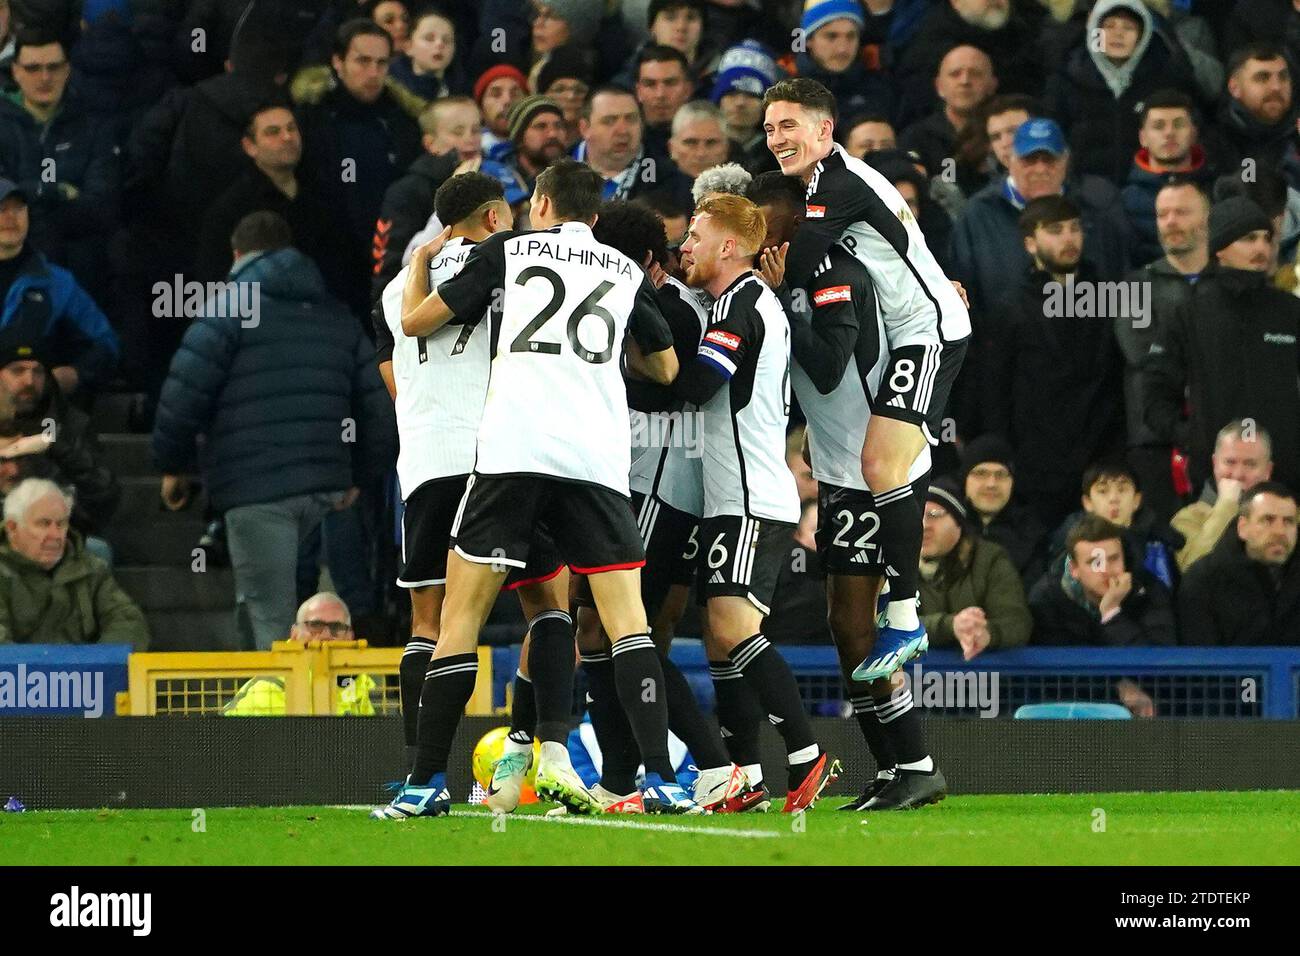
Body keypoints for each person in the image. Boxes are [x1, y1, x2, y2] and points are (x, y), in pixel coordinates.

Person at [377, 160, 697, 818]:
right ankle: (661, 778)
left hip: (513, 451)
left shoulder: (506, 249)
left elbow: (416, 324)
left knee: (459, 617)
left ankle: (424, 785)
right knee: (626, 623)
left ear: (541, 203)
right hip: (593, 457)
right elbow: (665, 367)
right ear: (597, 217)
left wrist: (419, 265)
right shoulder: (622, 269)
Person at [762, 76, 972, 683]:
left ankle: (905, 613)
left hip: (928, 329)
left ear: (824, 130)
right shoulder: (832, 178)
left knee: (885, 465)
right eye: (771, 127)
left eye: (790, 126)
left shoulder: (838, 183)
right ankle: (902, 611)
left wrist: (760, 283)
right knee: (885, 463)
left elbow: (799, 261)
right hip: (918, 319)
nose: (778, 138)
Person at [751, 171, 943, 811]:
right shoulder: (781, 283)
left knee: (861, 626)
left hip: (877, 473)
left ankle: (915, 766)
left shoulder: (838, 275)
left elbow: (831, 367)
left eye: (762, 228)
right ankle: (894, 769)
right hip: (839, 471)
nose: (754, 241)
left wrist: (777, 299)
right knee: (844, 624)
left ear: (789, 228)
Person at [152, 212, 396, 652]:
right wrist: (359, 476)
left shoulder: (225, 311)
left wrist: (173, 465)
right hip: (330, 490)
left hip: (255, 493)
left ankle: (278, 720)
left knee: (269, 620)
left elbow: (184, 394)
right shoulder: (335, 315)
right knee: (333, 621)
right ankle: (345, 715)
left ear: (237, 255)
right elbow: (380, 408)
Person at [671, 193, 839, 811]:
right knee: (720, 638)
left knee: (734, 627)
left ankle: (805, 754)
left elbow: (697, 385)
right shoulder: (735, 301)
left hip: (750, 495)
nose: (684, 246)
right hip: (733, 494)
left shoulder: (741, 303)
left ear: (729, 246)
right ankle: (744, 773)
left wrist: (630, 369)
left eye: (694, 235)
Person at [984, 195, 1126, 527]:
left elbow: (1117, 383)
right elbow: (995, 391)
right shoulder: (1010, 308)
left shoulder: (1108, 298)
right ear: (1030, 243)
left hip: (1099, 465)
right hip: (1034, 471)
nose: (1068, 238)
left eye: (1075, 228)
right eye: (1055, 230)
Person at [1144, 196, 1300, 492]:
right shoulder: (1190, 312)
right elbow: (1155, 393)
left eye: (1267, 238)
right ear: (1221, 248)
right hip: (1214, 482)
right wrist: (1195, 438)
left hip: (1287, 481)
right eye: (1248, 238)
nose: (1261, 248)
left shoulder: (1290, 311)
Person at [194, 102, 365, 314]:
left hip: (328, 321)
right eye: (272, 132)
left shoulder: (325, 197)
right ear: (250, 146)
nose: (287, 137)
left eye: (292, 128)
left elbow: (352, 269)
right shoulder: (231, 210)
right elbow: (214, 284)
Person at [0, 30, 120, 298]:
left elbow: (103, 207)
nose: (45, 77)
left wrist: (30, 198)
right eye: (33, 68)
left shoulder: (94, 125)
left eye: (53, 67)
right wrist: (57, 191)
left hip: (85, 274)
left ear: (67, 70)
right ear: (15, 71)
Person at [1118, 179, 1208, 520]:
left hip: (1221, 441)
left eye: (1182, 212)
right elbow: (1142, 355)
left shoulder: (1227, 282)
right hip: (1153, 442)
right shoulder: (1134, 286)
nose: (1170, 221)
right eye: (1163, 214)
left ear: (1207, 217)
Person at [297, 19, 422, 253]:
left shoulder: (404, 120)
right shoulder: (311, 118)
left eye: (382, 63)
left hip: (394, 250)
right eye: (363, 61)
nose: (373, 73)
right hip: (328, 251)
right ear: (338, 61)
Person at [1044, 0, 1199, 186]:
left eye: (1128, 28)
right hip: (1085, 194)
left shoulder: (1166, 77)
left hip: (1154, 187)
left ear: (1143, 35)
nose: (1118, 34)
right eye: (1109, 26)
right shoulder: (1066, 78)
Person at [0, 179, 119, 397]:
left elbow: (105, 344)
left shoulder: (57, 282)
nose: (11, 217)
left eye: (19, 208)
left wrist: (75, 374)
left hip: (32, 413)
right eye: (1, 209)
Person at [0, 477, 147, 647]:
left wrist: (100, 664)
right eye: (44, 524)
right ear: (12, 528)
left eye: (61, 524)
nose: (55, 535)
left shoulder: (91, 568)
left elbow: (127, 620)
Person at [0, 337, 119, 538]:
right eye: (17, 371)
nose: (29, 381)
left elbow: (104, 496)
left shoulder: (71, 424)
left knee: (97, 550)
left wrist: (55, 448)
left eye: (37, 372)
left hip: (57, 536)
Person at [917, 477, 1032, 659]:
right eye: (915, 515)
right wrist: (950, 626)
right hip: (911, 681)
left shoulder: (990, 560)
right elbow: (880, 625)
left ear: (958, 523)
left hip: (983, 681)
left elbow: (1017, 623)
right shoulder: (893, 562)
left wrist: (987, 634)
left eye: (934, 515)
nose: (923, 525)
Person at [1179, 482, 1300, 645]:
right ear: (1242, 527)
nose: (1280, 531)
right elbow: (1200, 661)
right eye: (1267, 520)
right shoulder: (1204, 579)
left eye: (1289, 521)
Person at [1028, 514, 1176, 646]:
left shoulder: (1149, 590)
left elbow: (1158, 665)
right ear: (1074, 569)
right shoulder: (1047, 600)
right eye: (1094, 562)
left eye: (1113, 559)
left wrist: (1111, 613)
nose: (1105, 570)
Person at [222, 592, 378, 716]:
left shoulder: (356, 681)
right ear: (294, 634)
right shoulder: (268, 689)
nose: (325, 636)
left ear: (350, 637)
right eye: (315, 625)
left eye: (336, 627)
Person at [1043, 459, 1183, 594]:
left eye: (1122, 490)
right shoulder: (1070, 546)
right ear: (1088, 503)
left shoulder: (1161, 541)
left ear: (1136, 500)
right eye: (1103, 491)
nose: (1114, 498)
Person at [1120, 91, 1214, 266]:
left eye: (1178, 124)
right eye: (1158, 126)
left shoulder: (1216, 191)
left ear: (1194, 134)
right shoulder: (1121, 201)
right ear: (1143, 137)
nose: (1169, 133)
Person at [1171, 420, 1275, 572]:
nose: (1238, 474)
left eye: (1250, 464)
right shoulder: (1187, 518)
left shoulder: (1287, 516)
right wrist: (1226, 506)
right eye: (1230, 462)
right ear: (1215, 464)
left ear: (1267, 470)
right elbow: (1193, 571)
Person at [898, 45, 997, 197]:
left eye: (975, 74)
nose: (965, 81)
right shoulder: (916, 138)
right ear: (939, 86)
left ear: (992, 85)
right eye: (955, 74)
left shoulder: (1004, 134)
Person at [575, 85, 692, 208]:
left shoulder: (673, 185)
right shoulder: (556, 176)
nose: (623, 130)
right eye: (609, 121)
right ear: (585, 128)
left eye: (631, 119)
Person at [960, 433, 1047, 584]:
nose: (991, 484)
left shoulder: (1032, 534)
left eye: (1001, 475)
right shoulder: (945, 525)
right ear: (964, 479)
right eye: (981, 473)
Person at [1203, 42, 1296, 181]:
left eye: (1283, 77)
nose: (1276, 87)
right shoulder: (1215, 144)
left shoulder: (1295, 135)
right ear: (1234, 88)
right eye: (1262, 78)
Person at [632, 44, 695, 162]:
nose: (660, 94)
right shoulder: (624, 146)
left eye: (670, 83)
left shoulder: (712, 141)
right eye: (650, 84)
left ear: (687, 89)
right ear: (638, 92)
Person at [667, 100, 731, 180]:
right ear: (672, 148)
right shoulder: (651, 189)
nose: (701, 154)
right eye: (691, 142)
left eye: (711, 143)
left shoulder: (747, 188)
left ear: (726, 148)